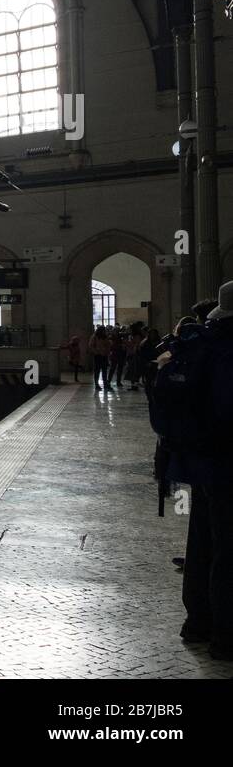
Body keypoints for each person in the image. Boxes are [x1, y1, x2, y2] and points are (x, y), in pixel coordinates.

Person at [151, 282, 233, 659]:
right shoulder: (227, 352)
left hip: (198, 462)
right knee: (227, 550)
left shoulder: (200, 345)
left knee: (202, 544)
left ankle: (197, 623)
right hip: (225, 462)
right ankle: (225, 637)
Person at [89, 326, 112, 390]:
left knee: (104, 371)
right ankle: (96, 384)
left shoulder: (105, 337)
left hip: (104, 356)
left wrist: (107, 351)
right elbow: (91, 346)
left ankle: (105, 384)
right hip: (98, 356)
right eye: (103, 330)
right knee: (97, 371)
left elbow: (108, 345)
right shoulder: (94, 337)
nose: (104, 332)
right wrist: (96, 352)